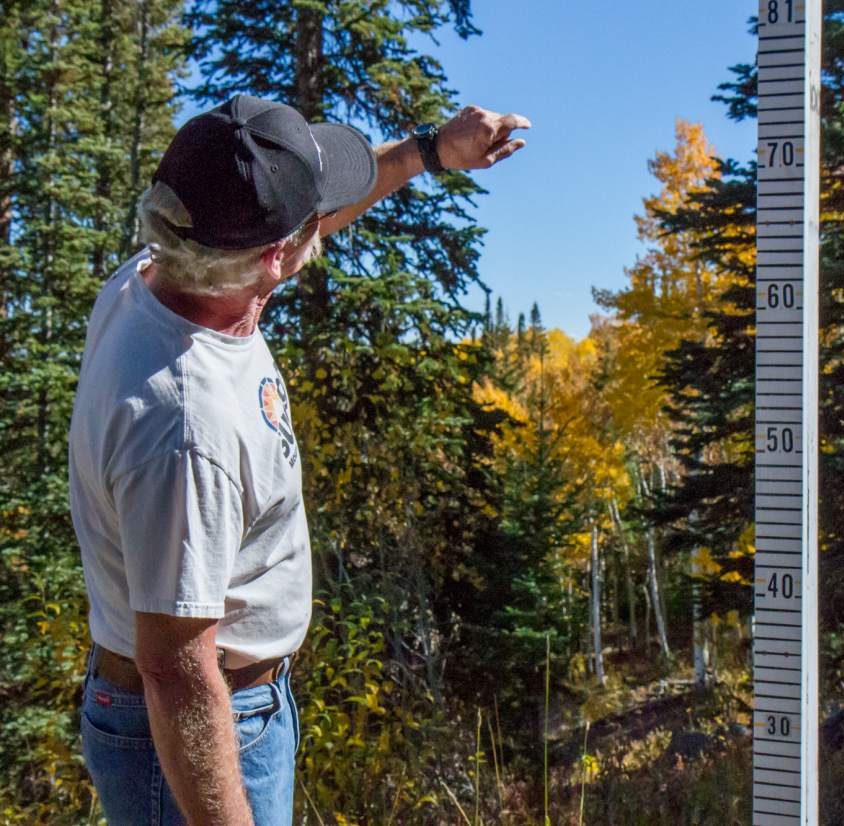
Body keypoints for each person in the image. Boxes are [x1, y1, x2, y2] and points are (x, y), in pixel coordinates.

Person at [68, 94, 529, 825]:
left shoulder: (162, 277)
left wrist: (429, 152)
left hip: (232, 705)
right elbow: (177, 672)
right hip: (193, 732)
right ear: (272, 259)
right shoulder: (185, 427)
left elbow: (299, 227)